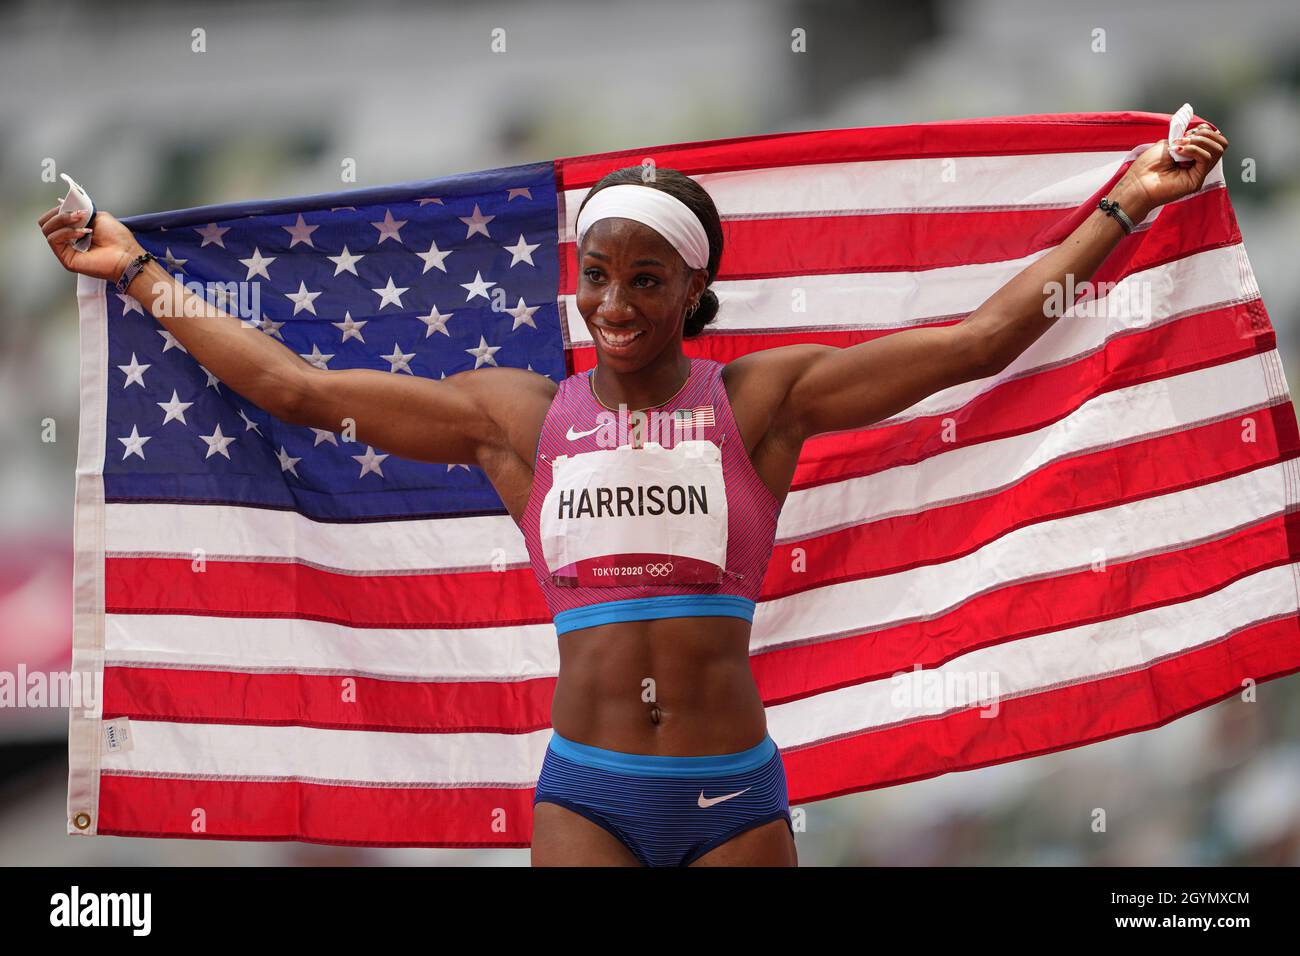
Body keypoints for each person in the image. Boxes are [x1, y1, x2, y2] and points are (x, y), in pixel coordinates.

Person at [39, 123, 1227, 866]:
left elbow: (975, 342)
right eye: (597, 274)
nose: (612, 300)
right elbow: (296, 390)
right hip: (589, 792)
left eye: (644, 278)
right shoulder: (515, 415)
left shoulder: (762, 400)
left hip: (733, 793)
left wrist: (1129, 199)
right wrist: (138, 270)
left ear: (691, 290)